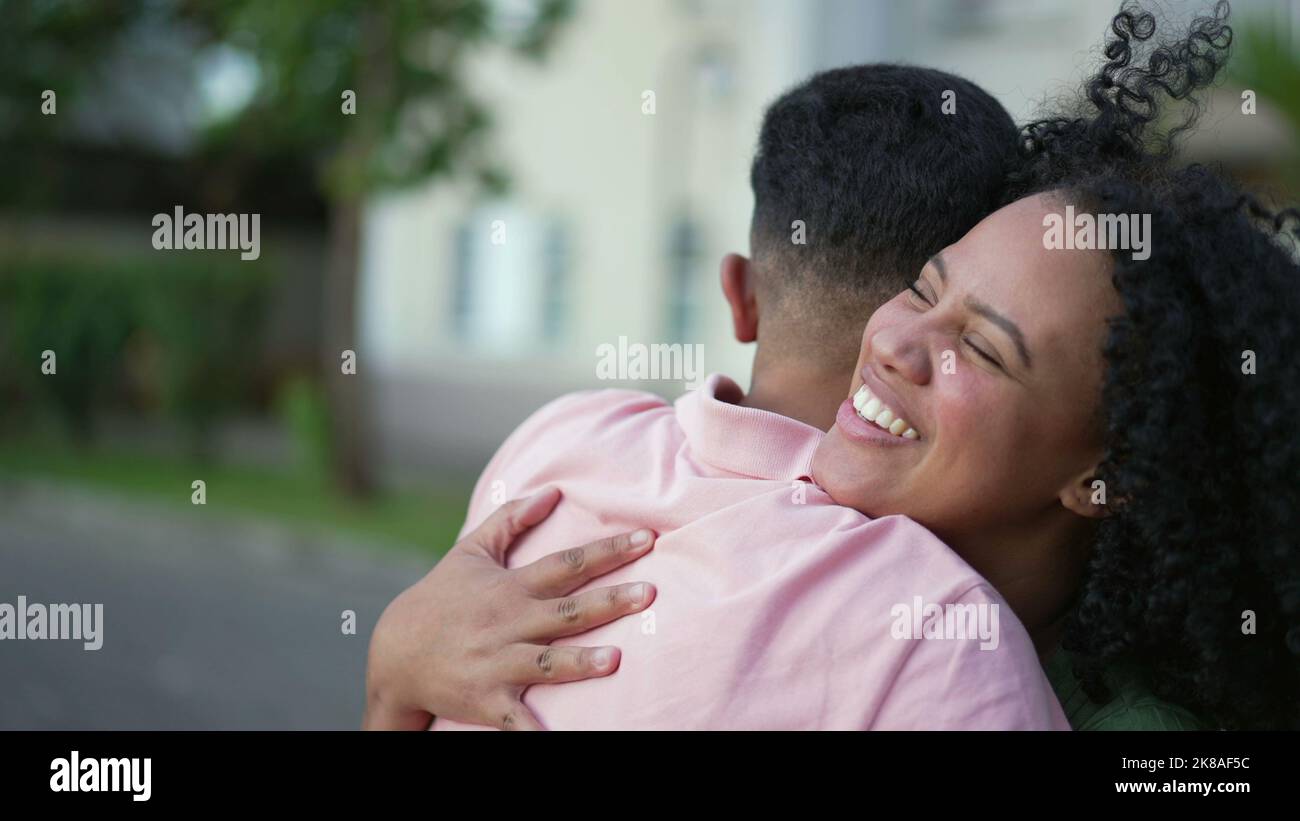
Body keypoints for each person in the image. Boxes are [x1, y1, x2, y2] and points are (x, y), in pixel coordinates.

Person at [368, 1, 1300, 731]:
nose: (893, 340)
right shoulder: (704, 529)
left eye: (981, 346)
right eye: (924, 287)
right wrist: (397, 664)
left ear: (1107, 475)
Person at [368, 62, 1071, 731]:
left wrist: (390, 666)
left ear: (740, 295)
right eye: (928, 292)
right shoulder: (940, 625)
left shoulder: (562, 438)